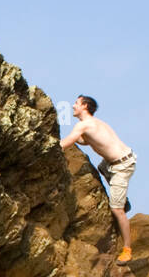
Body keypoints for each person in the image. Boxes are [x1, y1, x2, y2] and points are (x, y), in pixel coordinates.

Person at [59, 95, 137, 264]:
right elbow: (89, 141)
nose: (73, 106)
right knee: (102, 168)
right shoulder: (95, 123)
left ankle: (127, 250)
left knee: (116, 210)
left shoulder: (84, 125)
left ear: (84, 106)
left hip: (121, 166)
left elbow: (69, 142)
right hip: (115, 162)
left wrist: (50, 146)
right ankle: (122, 199)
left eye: (76, 103)